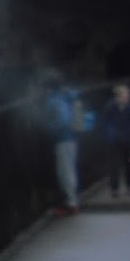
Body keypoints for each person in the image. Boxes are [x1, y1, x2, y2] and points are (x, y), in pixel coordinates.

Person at [44, 77, 87, 214]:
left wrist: (51, 129)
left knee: (65, 172)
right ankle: (73, 200)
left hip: (62, 139)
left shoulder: (55, 100)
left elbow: (63, 120)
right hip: (72, 138)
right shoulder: (67, 97)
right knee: (70, 170)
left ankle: (71, 203)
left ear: (49, 89)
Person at [98, 84, 130, 197]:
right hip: (114, 140)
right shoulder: (110, 107)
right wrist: (112, 133)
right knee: (114, 165)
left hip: (128, 140)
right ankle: (114, 189)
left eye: (128, 95)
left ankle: (129, 186)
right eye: (125, 95)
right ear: (118, 96)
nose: (127, 97)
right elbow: (105, 122)